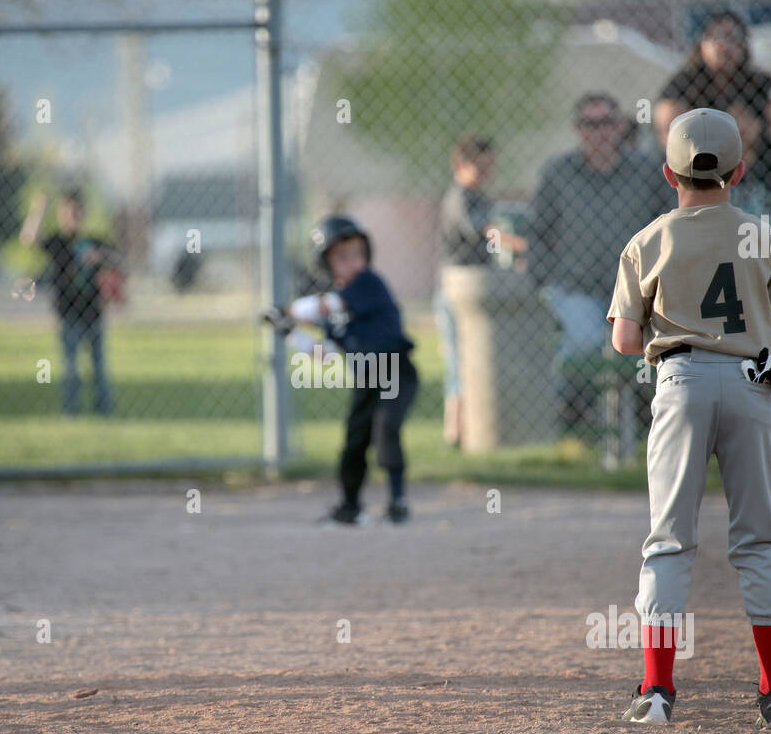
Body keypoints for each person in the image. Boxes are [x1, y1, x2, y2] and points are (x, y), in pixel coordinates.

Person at [607, 108, 771, 729]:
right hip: (752, 383)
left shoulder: (649, 239)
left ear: (670, 174)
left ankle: (658, 692)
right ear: (739, 171)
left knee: (669, 540)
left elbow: (623, 340)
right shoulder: (763, 236)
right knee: (759, 539)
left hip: (680, 383)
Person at [528, 92, 675, 425]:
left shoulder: (645, 171)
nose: (599, 131)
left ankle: (644, 419)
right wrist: (548, 279)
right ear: (578, 129)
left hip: (638, 292)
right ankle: (568, 418)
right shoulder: (558, 173)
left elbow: (669, 225)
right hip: (576, 288)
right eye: (589, 124)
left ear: (620, 125)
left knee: (656, 348)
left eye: (606, 122)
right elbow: (538, 232)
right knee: (585, 342)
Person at [271, 215, 419, 525]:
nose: (354, 262)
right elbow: (322, 353)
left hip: (395, 370)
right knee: (354, 441)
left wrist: (288, 311)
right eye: (342, 257)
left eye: (358, 254)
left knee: (386, 430)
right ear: (325, 265)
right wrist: (288, 332)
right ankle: (350, 507)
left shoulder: (368, 284)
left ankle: (398, 503)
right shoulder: (336, 309)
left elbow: (326, 306)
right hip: (367, 376)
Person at [436, 134, 526, 447]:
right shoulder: (460, 197)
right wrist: (519, 245)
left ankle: (470, 431)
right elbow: (484, 231)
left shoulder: (480, 197)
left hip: (477, 284)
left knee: (474, 360)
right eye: (480, 166)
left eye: (490, 167)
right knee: (457, 361)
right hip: (458, 286)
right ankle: (455, 434)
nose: (487, 173)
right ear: (460, 164)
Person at [20, 189, 123, 415]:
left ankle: (104, 410)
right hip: (68, 313)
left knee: (99, 366)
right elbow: (28, 239)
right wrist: (39, 209)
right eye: (69, 212)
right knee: (70, 367)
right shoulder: (58, 241)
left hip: (93, 313)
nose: (73, 217)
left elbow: (117, 259)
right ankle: (72, 410)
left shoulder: (94, 241)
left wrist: (99, 257)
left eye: (78, 212)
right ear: (61, 214)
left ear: (84, 213)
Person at [654, 10, 771, 170]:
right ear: (701, 44)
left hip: (757, 169)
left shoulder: (760, 84)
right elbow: (668, 133)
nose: (724, 45)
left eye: (732, 38)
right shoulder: (684, 83)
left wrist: (756, 131)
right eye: (715, 37)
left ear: (744, 45)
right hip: (699, 170)